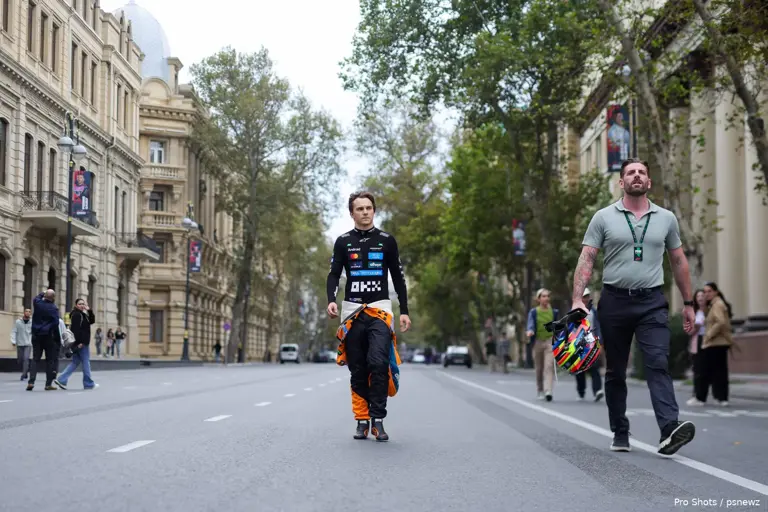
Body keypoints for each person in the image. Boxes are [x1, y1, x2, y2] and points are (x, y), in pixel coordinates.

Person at [571, 157, 696, 456]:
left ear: (649, 182)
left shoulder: (666, 218)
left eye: (641, 172)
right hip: (614, 301)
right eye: (630, 172)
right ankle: (620, 430)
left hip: (652, 301)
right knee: (615, 371)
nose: (636, 176)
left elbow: (678, 261)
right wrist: (578, 298)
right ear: (621, 182)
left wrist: (689, 302)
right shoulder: (603, 217)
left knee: (657, 362)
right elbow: (587, 258)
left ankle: (669, 429)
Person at [327, 191, 411, 442]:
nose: (365, 212)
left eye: (369, 208)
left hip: (380, 310)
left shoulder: (387, 241)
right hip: (352, 311)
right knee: (358, 367)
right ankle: (361, 420)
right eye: (359, 208)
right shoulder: (343, 242)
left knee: (378, 362)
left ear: (374, 211)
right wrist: (331, 299)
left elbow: (398, 277)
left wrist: (404, 310)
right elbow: (333, 274)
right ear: (352, 213)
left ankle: (378, 420)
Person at [691, 282, 733, 406]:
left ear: (716, 292)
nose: (706, 294)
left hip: (717, 342)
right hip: (717, 342)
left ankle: (719, 397)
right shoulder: (714, 304)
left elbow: (721, 322)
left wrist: (709, 334)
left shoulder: (717, 304)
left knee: (715, 371)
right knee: (717, 371)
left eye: (709, 291)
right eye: (705, 291)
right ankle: (720, 397)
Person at [55, 298, 97, 390]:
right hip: (82, 343)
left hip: (80, 343)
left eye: (83, 304)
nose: (82, 305)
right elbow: (76, 331)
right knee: (86, 363)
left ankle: (62, 379)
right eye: (80, 304)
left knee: (75, 362)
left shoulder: (83, 314)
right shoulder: (77, 315)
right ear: (76, 305)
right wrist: (80, 343)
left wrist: (89, 310)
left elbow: (92, 321)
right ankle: (88, 383)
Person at [526, 289, 559, 401]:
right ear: (539, 299)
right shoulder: (534, 312)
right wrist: (530, 330)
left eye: (547, 296)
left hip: (550, 341)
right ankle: (540, 390)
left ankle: (548, 391)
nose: (546, 298)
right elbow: (530, 323)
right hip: (537, 342)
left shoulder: (554, 312)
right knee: (539, 368)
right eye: (543, 296)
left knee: (549, 366)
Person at [28, 289, 61, 391]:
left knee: (35, 359)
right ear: (53, 298)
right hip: (48, 336)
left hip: (36, 335)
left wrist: (43, 292)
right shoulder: (54, 308)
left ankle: (31, 382)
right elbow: (56, 323)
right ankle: (48, 384)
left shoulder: (38, 303)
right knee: (50, 360)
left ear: (45, 296)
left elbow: (36, 297)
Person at [575, 288, 604, 402]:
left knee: (594, 367)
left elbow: (599, 328)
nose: (585, 299)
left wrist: (600, 342)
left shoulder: (594, 312)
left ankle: (597, 391)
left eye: (587, 296)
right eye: (583, 297)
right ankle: (581, 392)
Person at [11, 308, 33, 381]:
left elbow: (34, 333)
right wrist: (13, 341)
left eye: (29, 312)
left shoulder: (32, 322)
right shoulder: (18, 322)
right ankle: (26, 371)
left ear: (30, 313)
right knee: (20, 360)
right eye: (26, 311)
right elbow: (14, 331)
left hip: (28, 344)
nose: (28, 313)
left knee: (26, 358)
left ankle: (23, 374)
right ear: (24, 313)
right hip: (20, 343)